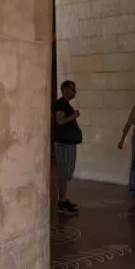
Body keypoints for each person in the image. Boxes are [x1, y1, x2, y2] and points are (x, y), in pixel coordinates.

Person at [53, 80, 82, 215]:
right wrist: (73, 116)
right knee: (64, 171)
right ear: (64, 90)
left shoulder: (65, 104)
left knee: (66, 171)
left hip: (67, 142)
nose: (74, 91)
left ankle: (63, 199)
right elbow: (59, 121)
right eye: (72, 89)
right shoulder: (61, 103)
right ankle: (62, 202)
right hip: (63, 143)